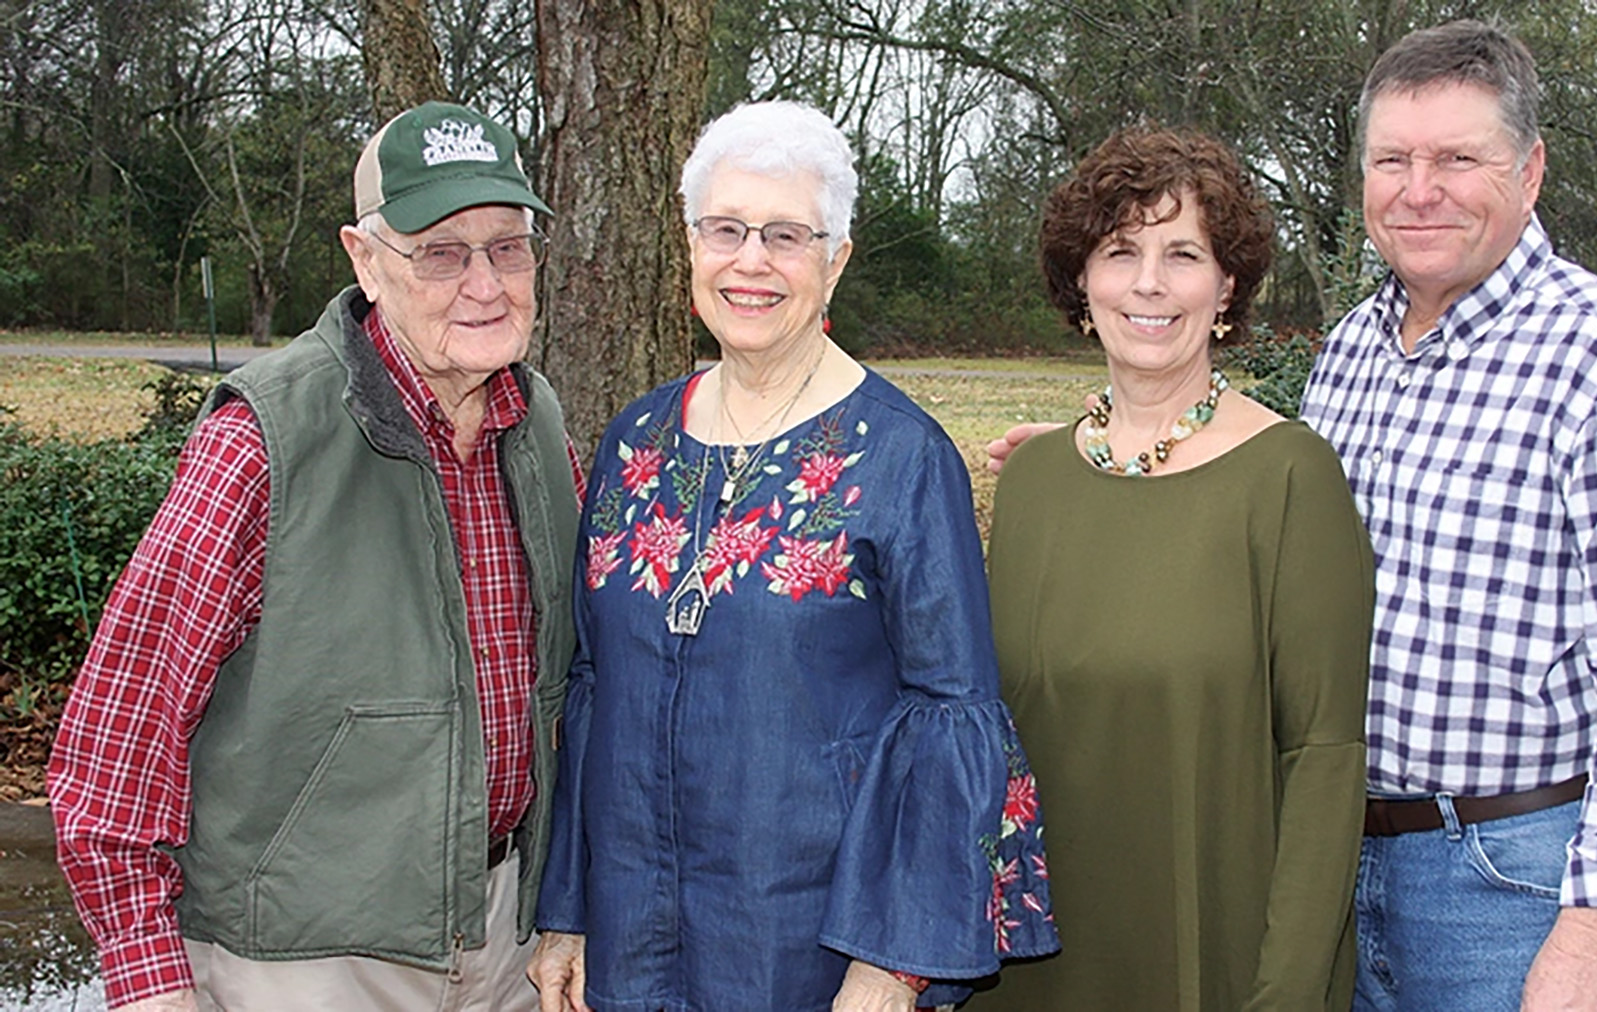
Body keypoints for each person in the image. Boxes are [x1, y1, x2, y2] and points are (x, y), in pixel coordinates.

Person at [48, 101, 582, 1012]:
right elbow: (118, 737)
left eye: (508, 246)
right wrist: (149, 979)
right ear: (366, 260)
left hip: (504, 937)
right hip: (306, 959)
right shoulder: (264, 439)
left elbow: (571, 693)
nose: (485, 284)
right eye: (442, 252)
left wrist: (568, 904)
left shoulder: (540, 430)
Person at [525, 99, 1057, 1012]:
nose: (751, 261)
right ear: (690, 245)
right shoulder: (634, 440)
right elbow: (590, 688)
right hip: (632, 937)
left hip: (812, 950)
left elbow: (950, 715)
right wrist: (567, 911)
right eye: (726, 229)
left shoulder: (901, 456)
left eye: (786, 235)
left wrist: (892, 963)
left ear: (837, 258)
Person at [1306, 21, 1597, 1011]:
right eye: (1392, 160)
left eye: (1459, 158)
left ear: (1530, 170)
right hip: (1338, 860)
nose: (1420, 189)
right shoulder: (1348, 357)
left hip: (1515, 880)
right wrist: (1122, 460)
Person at [972, 126, 1373, 1011]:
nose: (1148, 283)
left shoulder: (1290, 476)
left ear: (1227, 284)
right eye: (1120, 252)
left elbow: (1325, 759)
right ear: (1082, 281)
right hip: (1028, 962)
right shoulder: (1034, 480)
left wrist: (1287, 991)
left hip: (1211, 954)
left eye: (1182, 253)